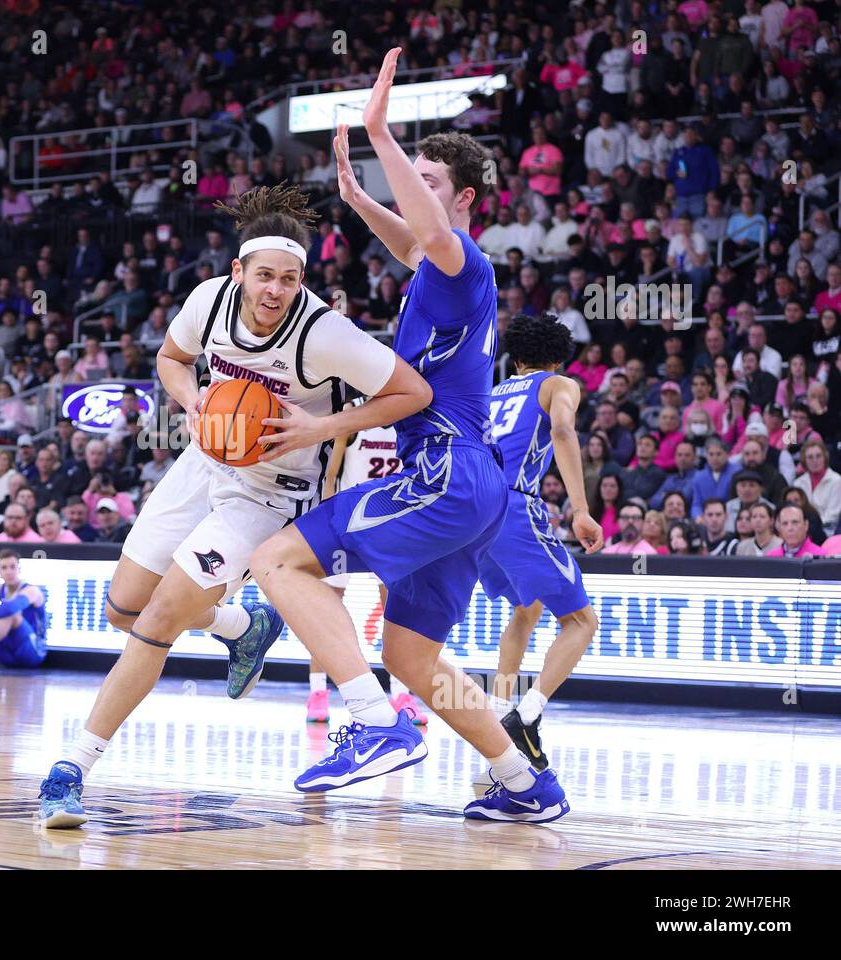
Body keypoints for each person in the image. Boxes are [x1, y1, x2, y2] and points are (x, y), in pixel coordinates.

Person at [36, 179, 430, 829]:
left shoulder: (323, 333)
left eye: (290, 278)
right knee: (122, 607)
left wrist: (316, 430)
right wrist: (193, 402)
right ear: (238, 270)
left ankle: (71, 769)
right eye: (265, 275)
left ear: (304, 280)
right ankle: (242, 627)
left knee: (158, 618)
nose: (276, 290)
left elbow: (410, 392)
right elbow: (170, 357)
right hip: (207, 458)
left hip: (269, 494)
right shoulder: (208, 303)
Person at [251, 53, 568, 825]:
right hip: (474, 488)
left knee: (277, 558)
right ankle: (525, 783)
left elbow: (427, 233)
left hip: (448, 474)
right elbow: (409, 241)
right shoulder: (435, 271)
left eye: (428, 183)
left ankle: (372, 722)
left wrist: (379, 132)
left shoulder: (463, 263)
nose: (413, 196)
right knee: (411, 656)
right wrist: (359, 194)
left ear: (462, 200)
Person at [477, 312, 603, 771]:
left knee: (525, 610)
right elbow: (564, 431)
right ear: (557, 358)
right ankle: (525, 717)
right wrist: (581, 510)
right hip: (513, 507)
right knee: (581, 622)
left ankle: (495, 715)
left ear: (516, 359)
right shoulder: (557, 385)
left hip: (474, 515)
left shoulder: (489, 393)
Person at [309, 392, 426, 726]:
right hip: (346, 523)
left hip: (389, 527)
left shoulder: (409, 415)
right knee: (326, 609)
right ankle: (318, 692)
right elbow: (330, 475)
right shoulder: (353, 412)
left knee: (397, 613)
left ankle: (402, 693)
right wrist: (325, 520)